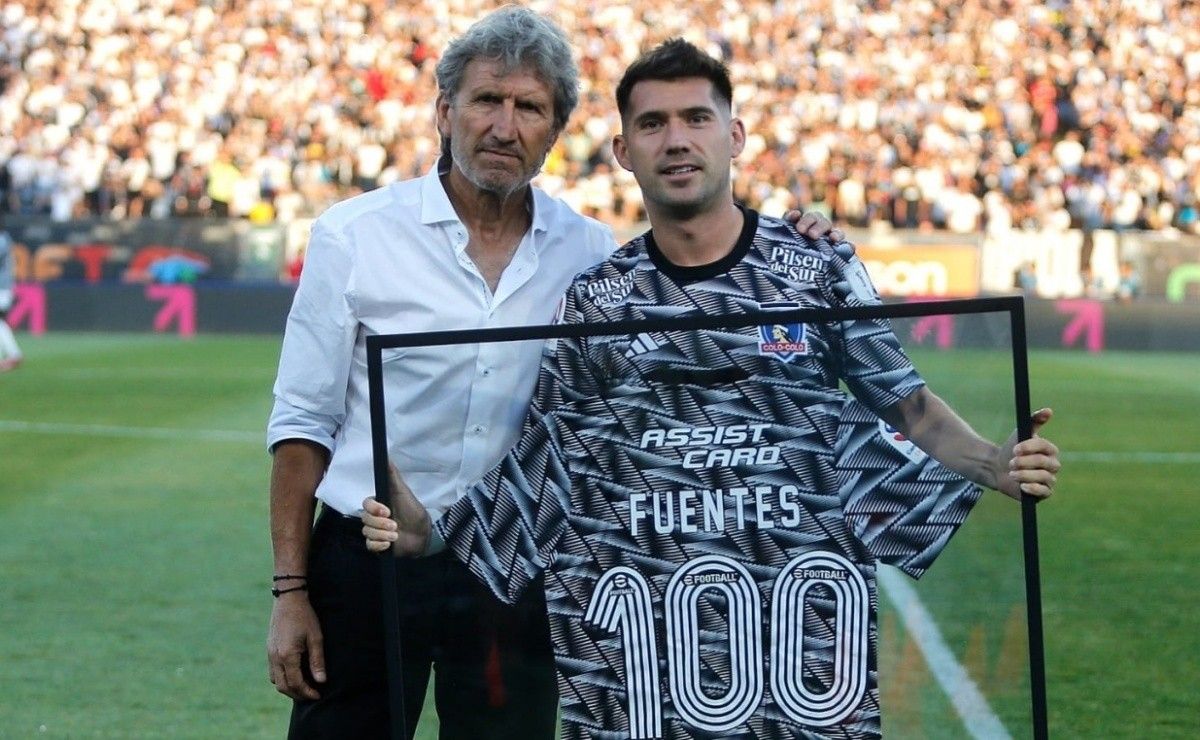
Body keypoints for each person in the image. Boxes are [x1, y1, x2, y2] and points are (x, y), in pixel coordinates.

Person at [362, 40, 1061, 738]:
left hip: (806, 683)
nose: (677, 141)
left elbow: (905, 404)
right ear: (622, 151)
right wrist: (431, 534)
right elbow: (553, 457)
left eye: (696, 118)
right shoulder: (599, 300)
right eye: (653, 124)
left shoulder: (814, 271)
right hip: (639, 688)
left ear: (735, 137)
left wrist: (990, 464)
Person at [265, 10, 840, 740]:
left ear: (556, 130)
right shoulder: (354, 235)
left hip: (513, 572)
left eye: (529, 107)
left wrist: (800, 234)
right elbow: (301, 424)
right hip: (368, 559)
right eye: (486, 101)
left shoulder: (589, 253)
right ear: (445, 112)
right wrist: (290, 592)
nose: (504, 126)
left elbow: (693, 293)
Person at [0, 224, 24, 372]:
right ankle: (12, 354)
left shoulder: (2, 240)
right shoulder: (5, 239)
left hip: (2, 287)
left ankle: (13, 354)